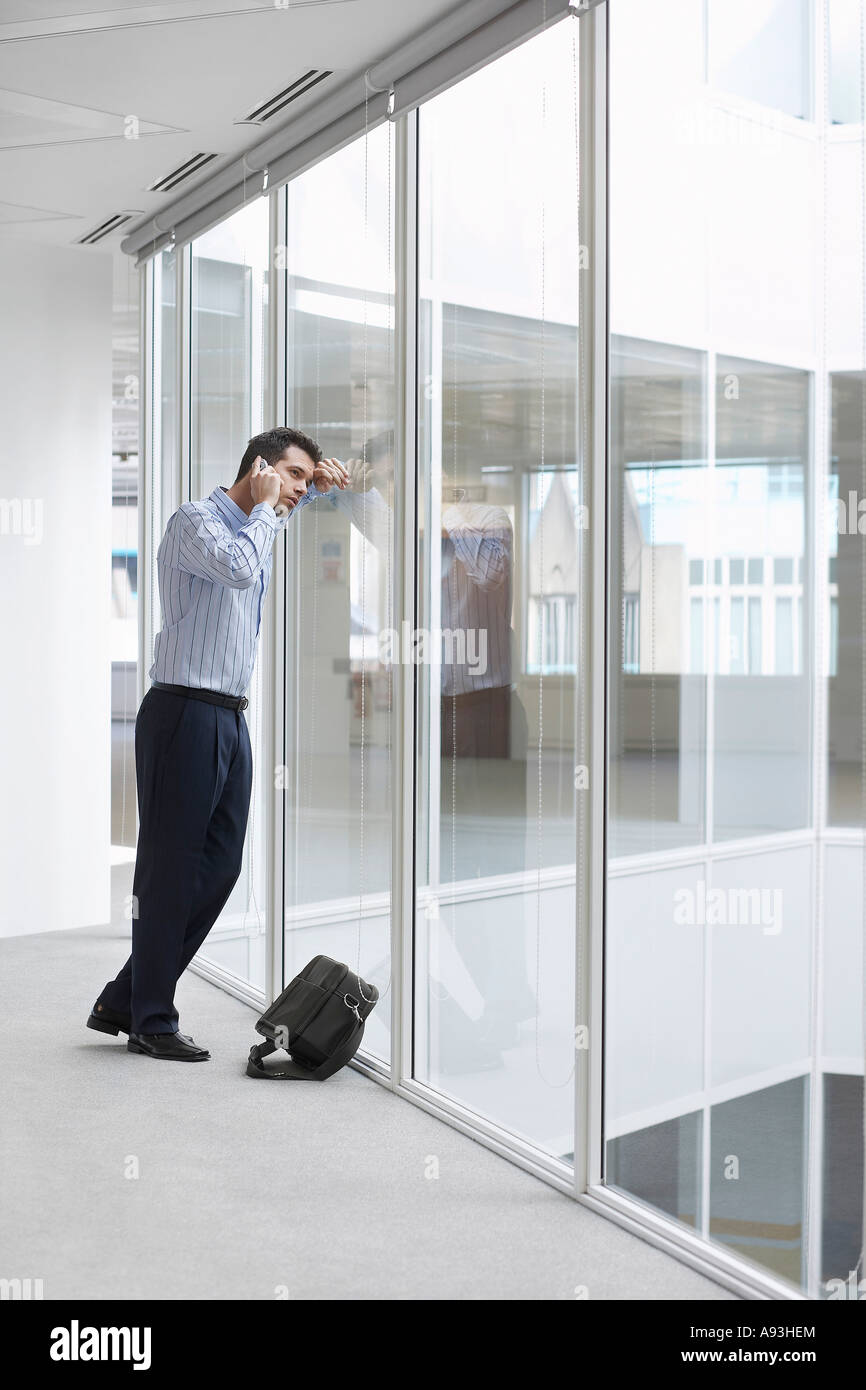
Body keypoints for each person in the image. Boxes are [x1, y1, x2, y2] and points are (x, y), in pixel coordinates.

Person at [88, 428, 348, 1061]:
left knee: (222, 865)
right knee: (168, 871)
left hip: (229, 716)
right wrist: (269, 506)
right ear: (259, 468)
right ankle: (150, 1018)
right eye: (291, 474)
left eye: (303, 479)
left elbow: (262, 536)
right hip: (182, 710)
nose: (296, 488)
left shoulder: (259, 520)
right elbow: (239, 568)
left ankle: (125, 996)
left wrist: (310, 493)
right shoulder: (194, 522)